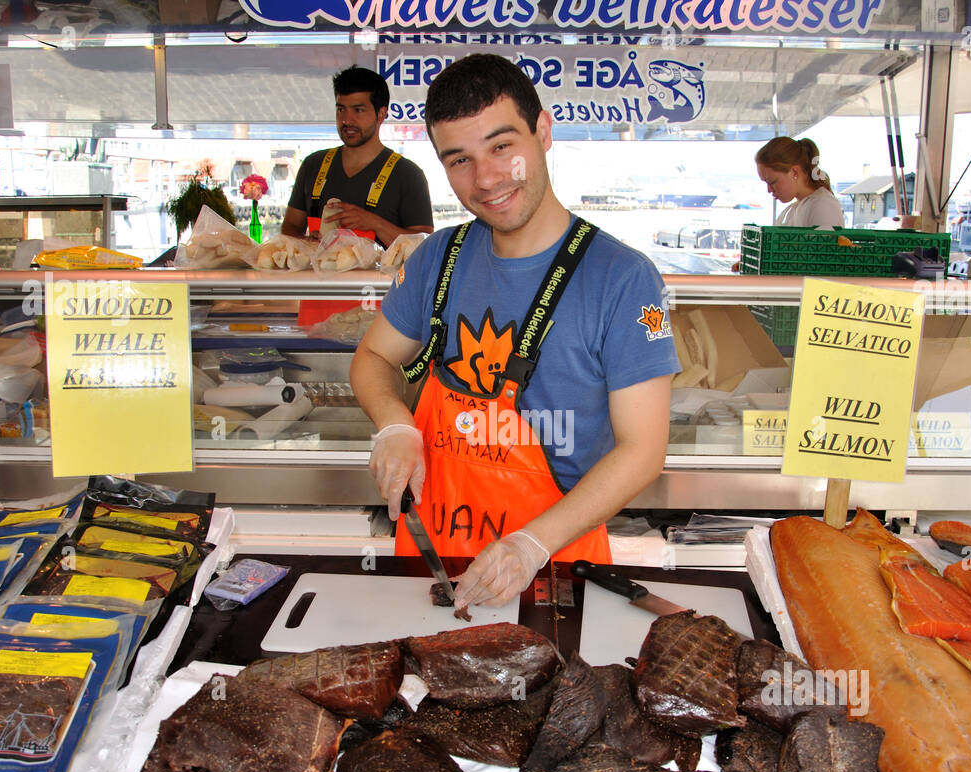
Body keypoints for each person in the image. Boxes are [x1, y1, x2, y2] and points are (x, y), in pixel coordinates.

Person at [351, 53, 680, 612]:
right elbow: (373, 358)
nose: (485, 179)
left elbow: (644, 450)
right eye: (459, 160)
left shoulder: (622, 278)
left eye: (502, 147)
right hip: (435, 563)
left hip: (557, 568)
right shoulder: (439, 258)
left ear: (543, 131)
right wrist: (394, 425)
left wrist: (532, 544)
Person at [282, 66, 434, 247]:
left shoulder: (408, 174)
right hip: (320, 274)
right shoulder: (313, 165)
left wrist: (375, 223)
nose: (347, 120)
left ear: (381, 113)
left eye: (358, 110)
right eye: (341, 110)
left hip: (383, 276)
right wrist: (306, 242)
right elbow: (290, 227)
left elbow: (424, 245)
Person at [756, 136, 845, 229]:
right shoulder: (799, 207)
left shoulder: (823, 206)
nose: (769, 190)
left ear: (794, 172)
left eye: (772, 182)